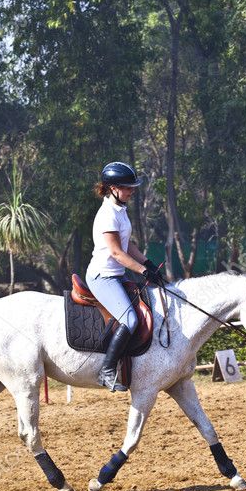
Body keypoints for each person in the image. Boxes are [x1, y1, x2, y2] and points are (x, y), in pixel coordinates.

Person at [86, 161, 165, 392]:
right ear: (112, 188)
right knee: (129, 320)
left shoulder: (120, 210)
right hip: (103, 277)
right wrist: (142, 271)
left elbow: (127, 245)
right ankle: (106, 370)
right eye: (127, 187)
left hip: (117, 275)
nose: (132, 191)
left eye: (132, 187)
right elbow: (116, 252)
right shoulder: (107, 214)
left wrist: (147, 262)